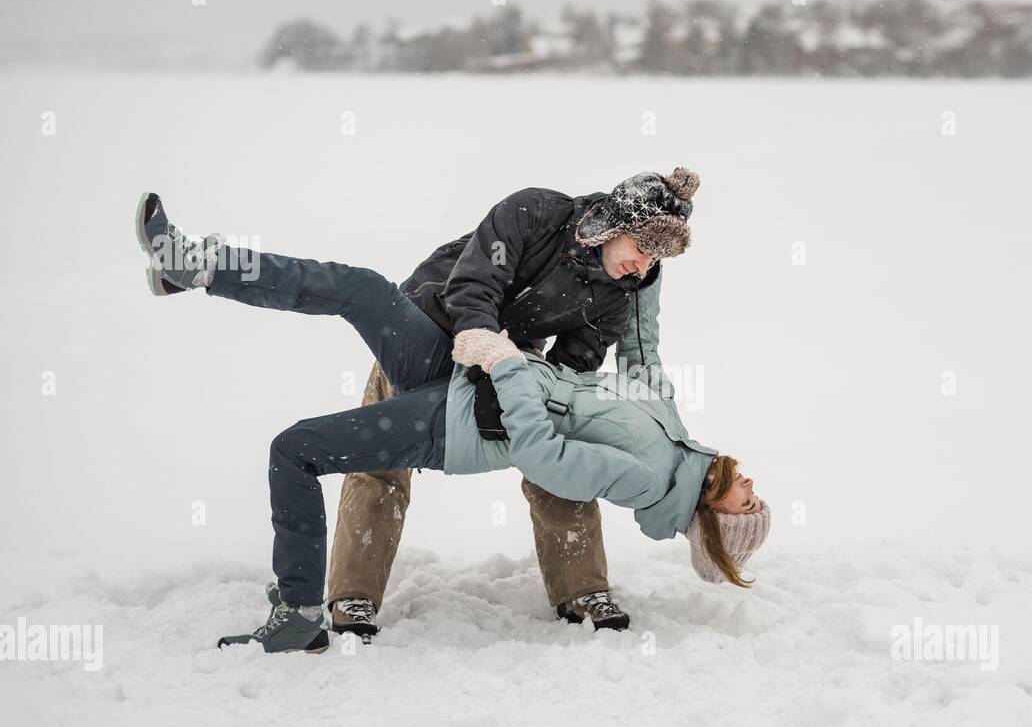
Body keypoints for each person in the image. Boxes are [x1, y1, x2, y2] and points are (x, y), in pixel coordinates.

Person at [134, 192, 770, 654]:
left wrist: (525, 380)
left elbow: (581, 374)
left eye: (654, 262)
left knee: (562, 466)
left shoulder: (617, 301)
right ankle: (195, 264)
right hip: (436, 333)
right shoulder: (536, 214)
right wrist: (494, 352)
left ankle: (581, 590)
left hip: (486, 393)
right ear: (610, 226)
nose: (640, 268)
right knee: (359, 299)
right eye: (640, 250)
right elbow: (475, 283)